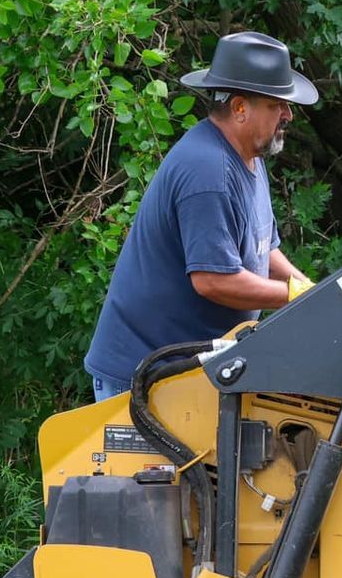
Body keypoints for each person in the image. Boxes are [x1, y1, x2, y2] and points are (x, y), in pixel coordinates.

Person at [84, 32, 319, 400]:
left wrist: (311, 291)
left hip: (185, 376)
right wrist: (294, 295)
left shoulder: (247, 157)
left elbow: (263, 248)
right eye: (277, 104)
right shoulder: (209, 172)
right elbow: (213, 280)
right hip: (142, 380)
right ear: (240, 108)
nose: (288, 115)